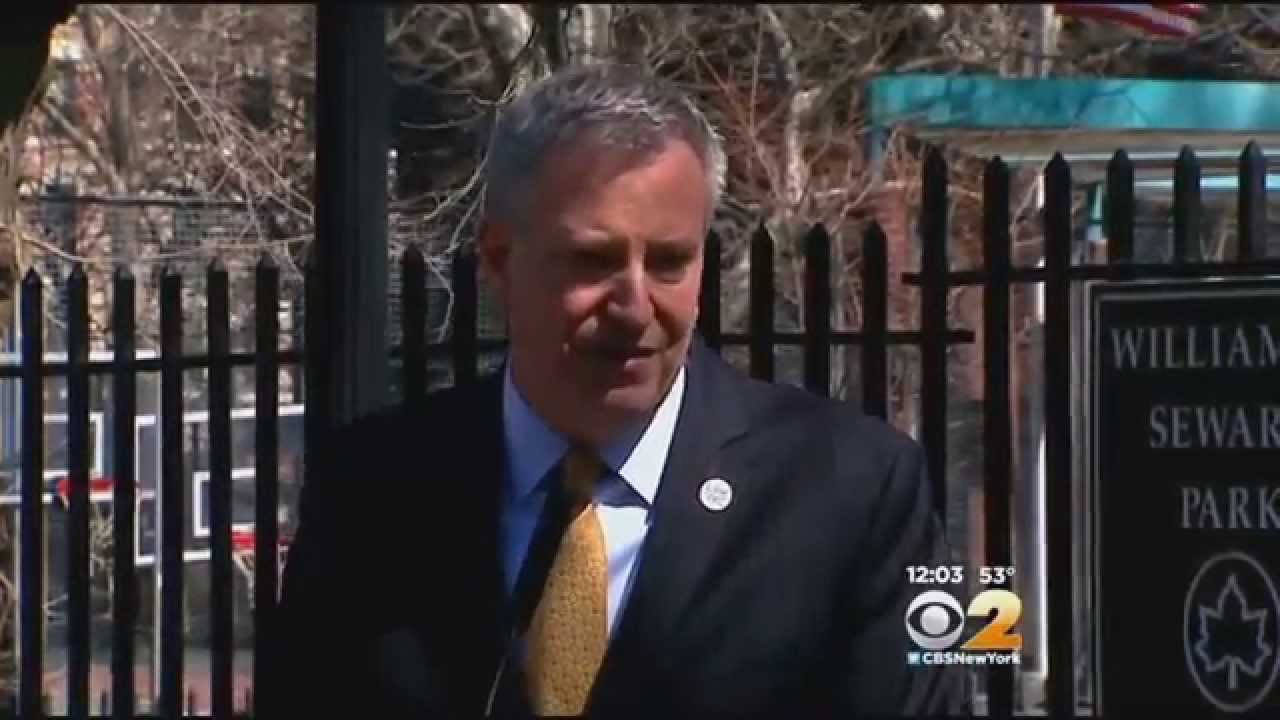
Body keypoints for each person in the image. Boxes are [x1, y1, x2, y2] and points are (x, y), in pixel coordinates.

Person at [272, 63, 963, 718]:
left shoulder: (855, 488)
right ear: (500, 260)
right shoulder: (370, 487)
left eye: (669, 262)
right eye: (593, 261)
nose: (634, 307)